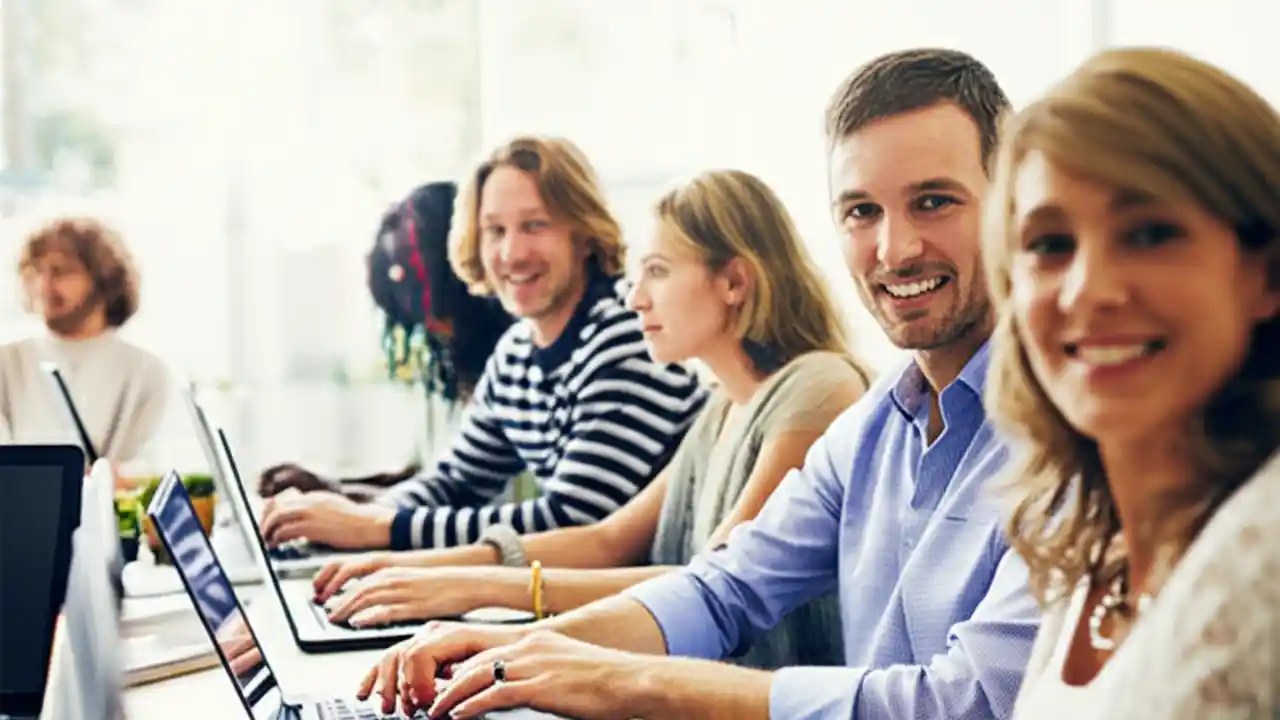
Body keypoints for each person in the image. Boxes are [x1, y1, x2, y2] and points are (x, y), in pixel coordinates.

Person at [354, 49, 1041, 720]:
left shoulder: (1072, 436)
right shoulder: (871, 428)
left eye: (933, 202)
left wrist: (625, 683)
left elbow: (970, 702)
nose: (895, 249)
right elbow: (721, 589)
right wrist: (513, 650)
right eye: (861, 212)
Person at [312, 169, 871, 670]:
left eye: (657, 271)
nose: (636, 299)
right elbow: (608, 539)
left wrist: (473, 591)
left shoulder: (818, 390)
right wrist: (424, 574)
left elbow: (711, 587)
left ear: (734, 283)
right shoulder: (724, 405)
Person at [979, 47, 1280, 719]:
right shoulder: (1091, 551)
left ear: (1265, 275)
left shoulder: (1265, 551)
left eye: (1149, 233)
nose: (1090, 290)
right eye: (1051, 245)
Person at [259, 136, 706, 551]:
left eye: (535, 225)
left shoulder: (625, 337)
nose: (512, 253)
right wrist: (345, 519)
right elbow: (453, 482)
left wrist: (376, 529)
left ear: (584, 234)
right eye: (495, 230)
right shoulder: (516, 354)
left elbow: (573, 523)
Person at [258, 181, 515, 502]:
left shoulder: (510, 373)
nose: (438, 333)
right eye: (422, 325)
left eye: (441, 319)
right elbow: (431, 484)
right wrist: (327, 488)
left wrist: (337, 499)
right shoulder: (451, 377)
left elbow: (462, 508)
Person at [0, 217, 170, 465]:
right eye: (34, 271)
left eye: (61, 272)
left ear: (104, 279)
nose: (43, 285)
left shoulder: (146, 370)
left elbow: (144, 475)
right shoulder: (7, 360)